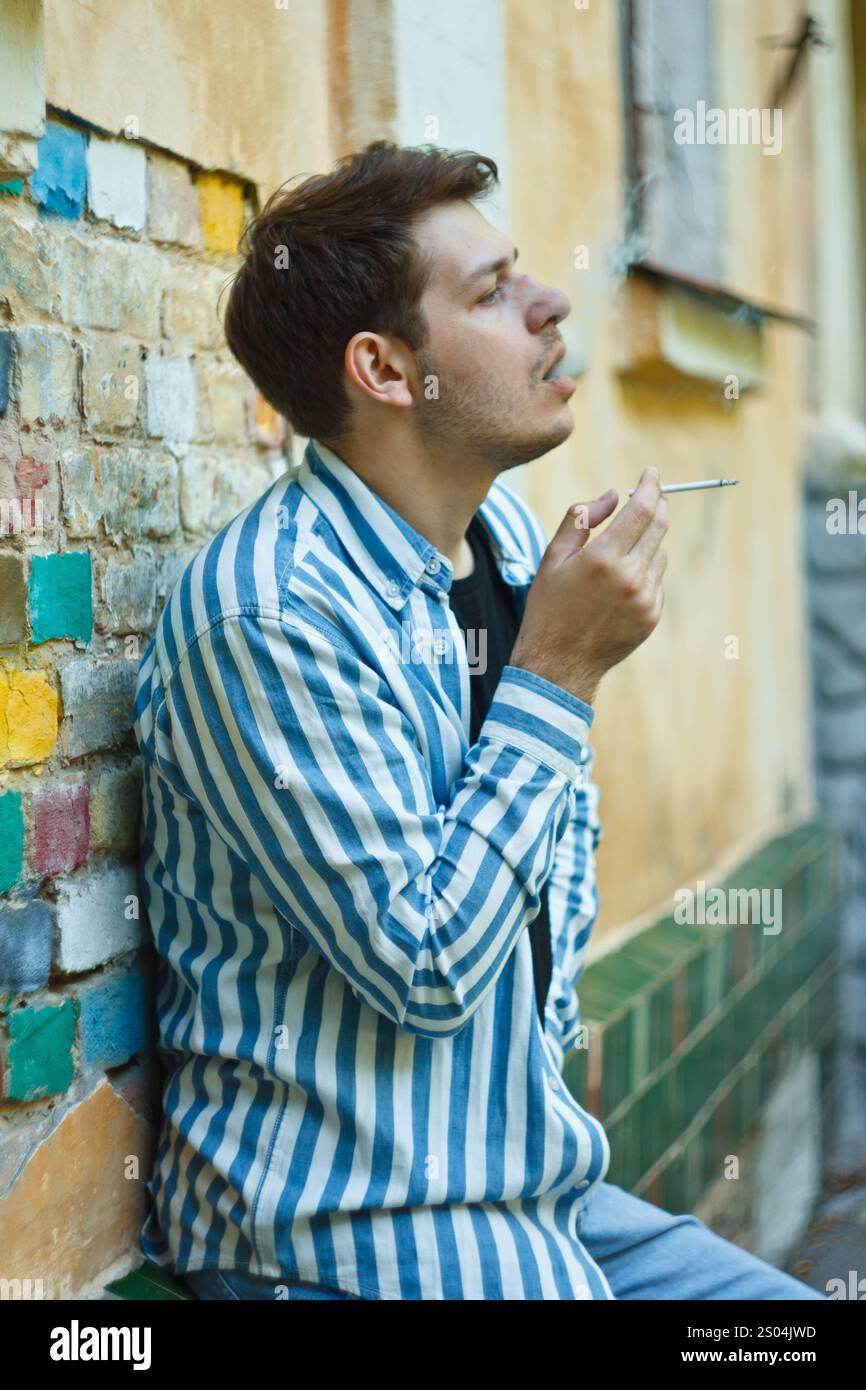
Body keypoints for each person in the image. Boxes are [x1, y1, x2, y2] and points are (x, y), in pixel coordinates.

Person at [133, 141, 824, 1301]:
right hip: (342, 1236)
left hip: (530, 1194)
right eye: (493, 291)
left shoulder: (503, 548)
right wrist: (556, 673)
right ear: (386, 370)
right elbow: (425, 968)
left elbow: (544, 907)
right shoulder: (268, 616)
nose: (550, 301)